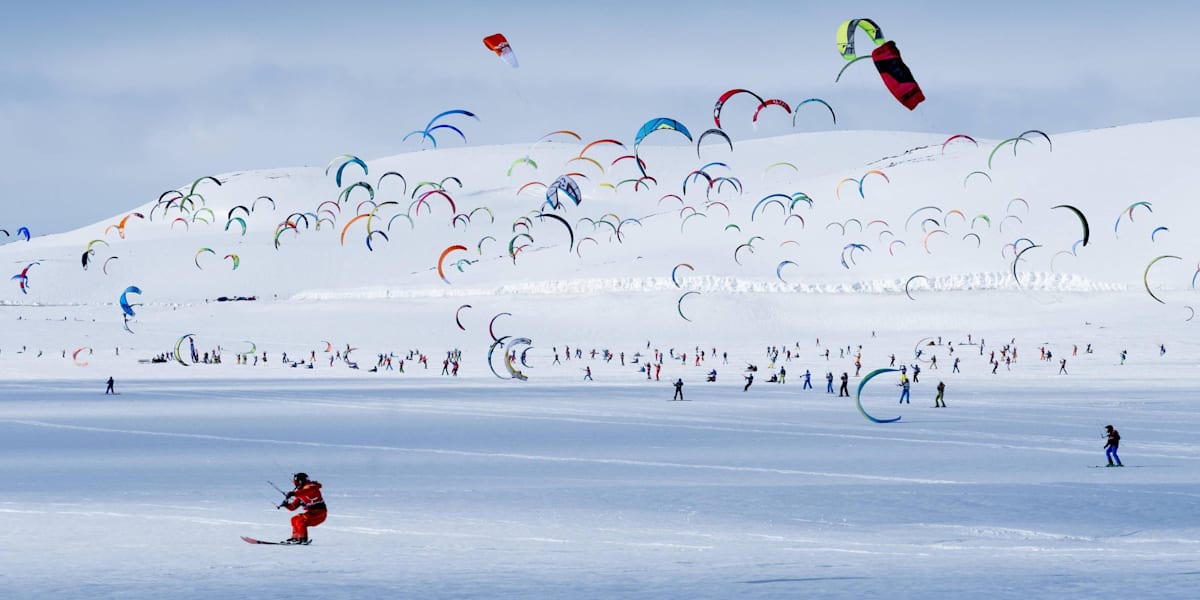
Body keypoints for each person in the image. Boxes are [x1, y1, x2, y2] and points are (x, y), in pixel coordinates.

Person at [279, 472, 327, 544]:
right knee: (294, 519)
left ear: (300, 481)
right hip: (311, 513)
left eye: (296, 482)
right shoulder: (300, 492)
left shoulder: (312, 486)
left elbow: (307, 491)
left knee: (301, 520)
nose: (295, 484)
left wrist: (293, 493)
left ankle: (303, 539)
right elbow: (293, 507)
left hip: (319, 513)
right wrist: (286, 505)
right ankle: (295, 538)